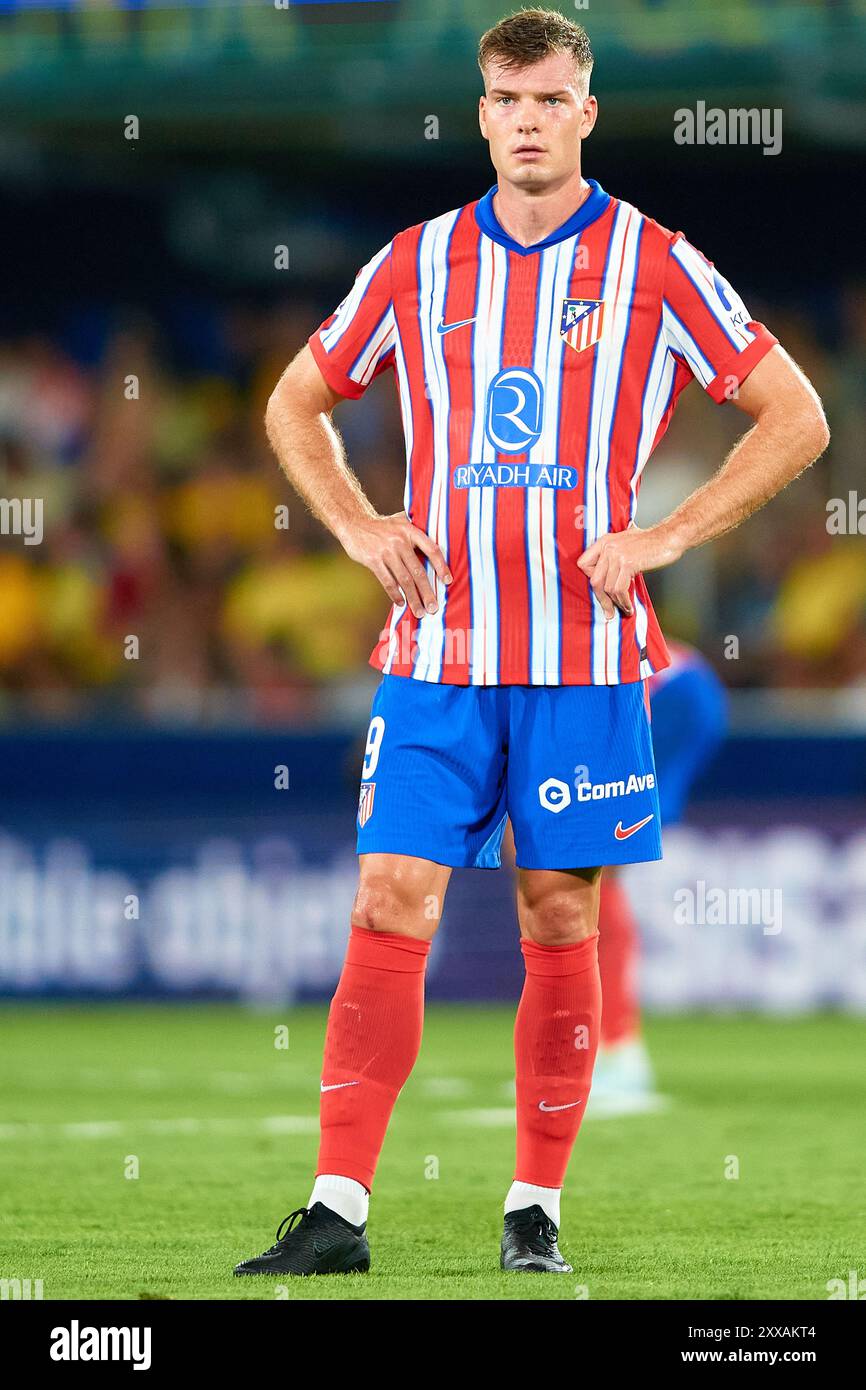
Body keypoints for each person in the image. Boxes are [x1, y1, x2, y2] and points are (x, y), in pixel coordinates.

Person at [234, 9, 828, 1278]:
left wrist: (663, 535)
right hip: (435, 655)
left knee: (557, 916)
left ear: (585, 114)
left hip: (584, 664)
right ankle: (336, 1207)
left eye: (550, 99)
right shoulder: (416, 260)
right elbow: (297, 397)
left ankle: (531, 1211)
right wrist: (350, 524)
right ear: (480, 110)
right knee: (388, 895)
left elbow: (794, 416)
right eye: (505, 99)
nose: (524, 120)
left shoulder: (655, 264)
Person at [592, 641, 728, 1113]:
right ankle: (606, 1047)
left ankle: (615, 1049)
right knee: (578, 869)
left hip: (659, 690)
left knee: (583, 869)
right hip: (679, 683)